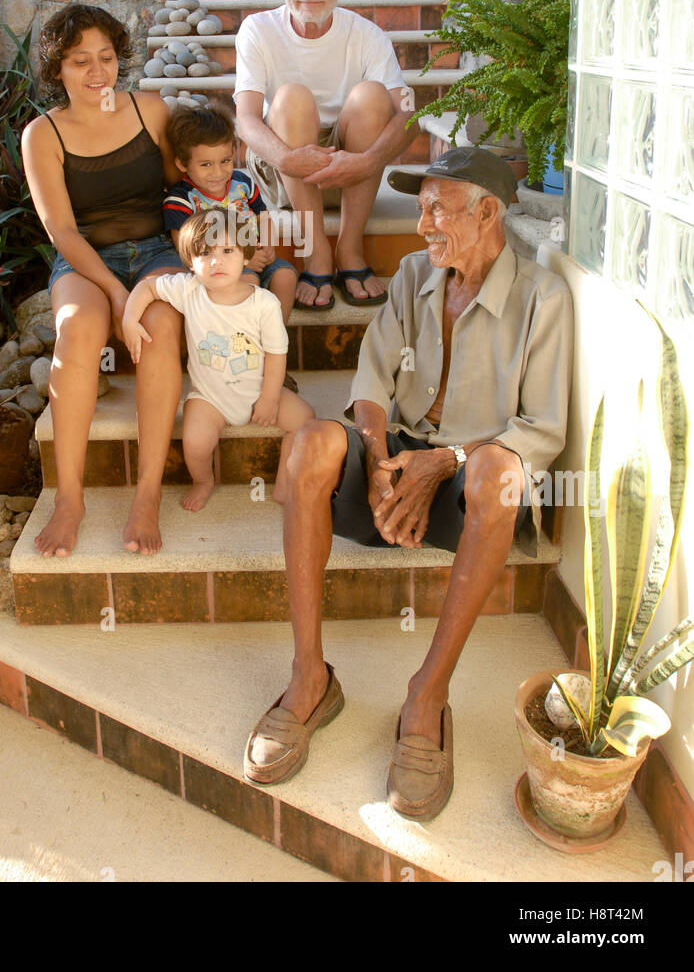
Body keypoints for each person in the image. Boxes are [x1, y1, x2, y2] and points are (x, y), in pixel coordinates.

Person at [243, 147, 574, 819]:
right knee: (309, 444)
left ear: (488, 213)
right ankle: (310, 677)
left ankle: (428, 695)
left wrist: (442, 462)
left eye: (435, 210)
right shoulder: (413, 275)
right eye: (421, 207)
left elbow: (542, 428)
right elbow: (371, 379)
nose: (422, 224)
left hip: (468, 480)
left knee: (500, 472)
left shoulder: (544, 298)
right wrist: (377, 457)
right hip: (401, 457)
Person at [21, 3, 186, 558]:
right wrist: (118, 293)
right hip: (87, 260)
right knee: (78, 329)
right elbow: (61, 230)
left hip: (158, 250)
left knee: (161, 325)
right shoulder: (42, 134)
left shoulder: (151, 111)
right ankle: (70, 498)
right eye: (79, 61)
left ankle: (146, 494)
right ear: (57, 69)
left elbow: (180, 192)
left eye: (107, 57)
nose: (97, 73)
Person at [234, 0, 420, 312]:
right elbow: (246, 120)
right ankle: (317, 253)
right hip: (286, 174)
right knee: (291, 96)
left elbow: (409, 118)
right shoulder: (258, 29)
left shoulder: (368, 35)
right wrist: (287, 159)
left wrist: (368, 161)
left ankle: (349, 249)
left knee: (372, 96)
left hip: (350, 170)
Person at [122, 208, 314, 513]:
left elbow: (277, 355)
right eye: (205, 253)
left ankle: (285, 482)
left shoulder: (265, 303)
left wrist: (270, 398)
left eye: (227, 250)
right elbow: (146, 287)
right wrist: (129, 320)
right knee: (195, 442)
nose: (217, 261)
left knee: (305, 420)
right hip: (209, 398)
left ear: (246, 256)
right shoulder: (189, 290)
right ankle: (204, 481)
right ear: (190, 263)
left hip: (257, 390)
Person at [162, 102, 299, 326]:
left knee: (286, 276)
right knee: (248, 280)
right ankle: (246, 339)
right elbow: (186, 247)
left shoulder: (242, 183)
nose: (218, 172)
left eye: (225, 161)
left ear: (233, 153)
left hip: (256, 256)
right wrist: (240, 260)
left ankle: (275, 335)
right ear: (182, 164)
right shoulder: (181, 199)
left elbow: (262, 215)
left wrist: (267, 244)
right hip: (218, 267)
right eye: (206, 164)